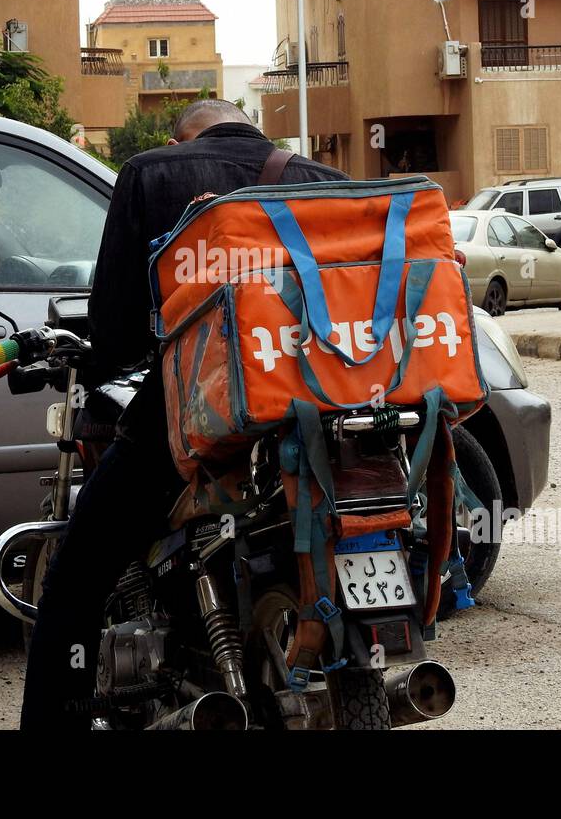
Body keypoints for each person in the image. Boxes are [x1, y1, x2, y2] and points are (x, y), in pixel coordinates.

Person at [20, 99, 347, 729]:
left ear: (180, 139)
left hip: (193, 417)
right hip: (315, 416)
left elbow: (115, 329)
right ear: (253, 128)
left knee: (79, 573)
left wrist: (109, 357)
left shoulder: (151, 174)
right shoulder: (322, 181)